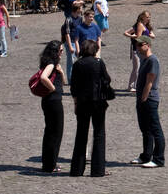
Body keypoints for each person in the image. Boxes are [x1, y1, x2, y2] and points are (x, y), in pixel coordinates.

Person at [69, 38, 112, 177]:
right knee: (99, 133)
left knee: (81, 134)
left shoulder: (77, 64)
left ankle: (77, 169)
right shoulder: (99, 63)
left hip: (82, 102)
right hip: (98, 101)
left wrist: (75, 103)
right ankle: (98, 169)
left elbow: (73, 87)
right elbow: (107, 79)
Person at [130, 36, 165, 168]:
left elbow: (149, 82)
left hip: (149, 99)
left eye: (140, 45)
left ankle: (158, 159)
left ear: (148, 45)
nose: (137, 48)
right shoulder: (144, 59)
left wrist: (143, 99)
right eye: (137, 45)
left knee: (155, 129)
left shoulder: (152, 60)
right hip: (142, 99)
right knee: (145, 128)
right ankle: (146, 155)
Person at [36, 40, 66, 173]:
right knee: (55, 133)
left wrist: (62, 72)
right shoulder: (51, 63)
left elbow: (64, 83)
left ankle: (49, 163)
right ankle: (50, 164)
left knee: (51, 132)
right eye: (60, 50)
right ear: (55, 52)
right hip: (53, 101)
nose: (62, 52)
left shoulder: (53, 64)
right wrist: (53, 88)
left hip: (50, 101)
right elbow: (43, 77)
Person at [124, 11, 154, 93]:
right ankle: (131, 86)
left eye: (149, 17)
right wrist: (133, 36)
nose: (149, 18)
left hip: (144, 50)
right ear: (142, 17)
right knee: (136, 68)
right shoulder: (140, 25)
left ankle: (138, 85)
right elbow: (139, 38)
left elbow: (150, 34)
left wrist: (150, 35)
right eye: (147, 17)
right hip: (138, 50)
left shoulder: (146, 25)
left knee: (142, 68)